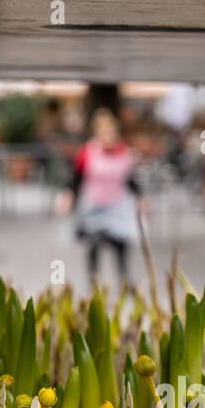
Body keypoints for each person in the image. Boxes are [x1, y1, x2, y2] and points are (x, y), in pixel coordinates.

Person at [56, 109, 142, 287]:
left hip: (118, 206)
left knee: (121, 246)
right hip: (94, 205)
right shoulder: (87, 151)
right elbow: (76, 177)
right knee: (94, 246)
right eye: (105, 132)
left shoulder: (124, 152)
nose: (109, 135)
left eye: (111, 131)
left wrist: (140, 198)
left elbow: (131, 179)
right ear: (97, 132)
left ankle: (124, 281)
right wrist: (68, 195)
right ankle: (94, 284)